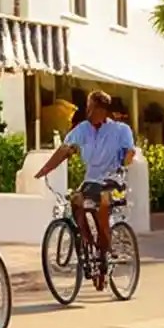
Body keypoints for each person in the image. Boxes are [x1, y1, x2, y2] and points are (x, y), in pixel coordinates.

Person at [33, 90, 135, 274]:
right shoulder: (83, 129)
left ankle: (105, 249)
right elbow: (64, 150)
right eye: (88, 107)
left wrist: (125, 160)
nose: (89, 112)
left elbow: (129, 152)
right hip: (92, 181)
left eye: (93, 108)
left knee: (102, 205)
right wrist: (45, 170)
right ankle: (89, 243)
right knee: (76, 202)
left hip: (113, 179)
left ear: (103, 110)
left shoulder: (121, 130)